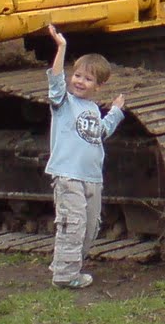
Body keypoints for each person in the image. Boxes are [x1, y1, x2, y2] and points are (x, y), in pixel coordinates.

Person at [44, 23, 126, 289]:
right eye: (77, 75)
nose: (80, 81)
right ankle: (65, 277)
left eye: (88, 79)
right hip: (68, 176)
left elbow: (100, 132)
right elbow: (56, 82)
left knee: (89, 228)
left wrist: (114, 111)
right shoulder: (63, 103)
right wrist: (62, 47)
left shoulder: (91, 108)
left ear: (98, 86)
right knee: (73, 225)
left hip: (92, 178)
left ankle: (67, 266)